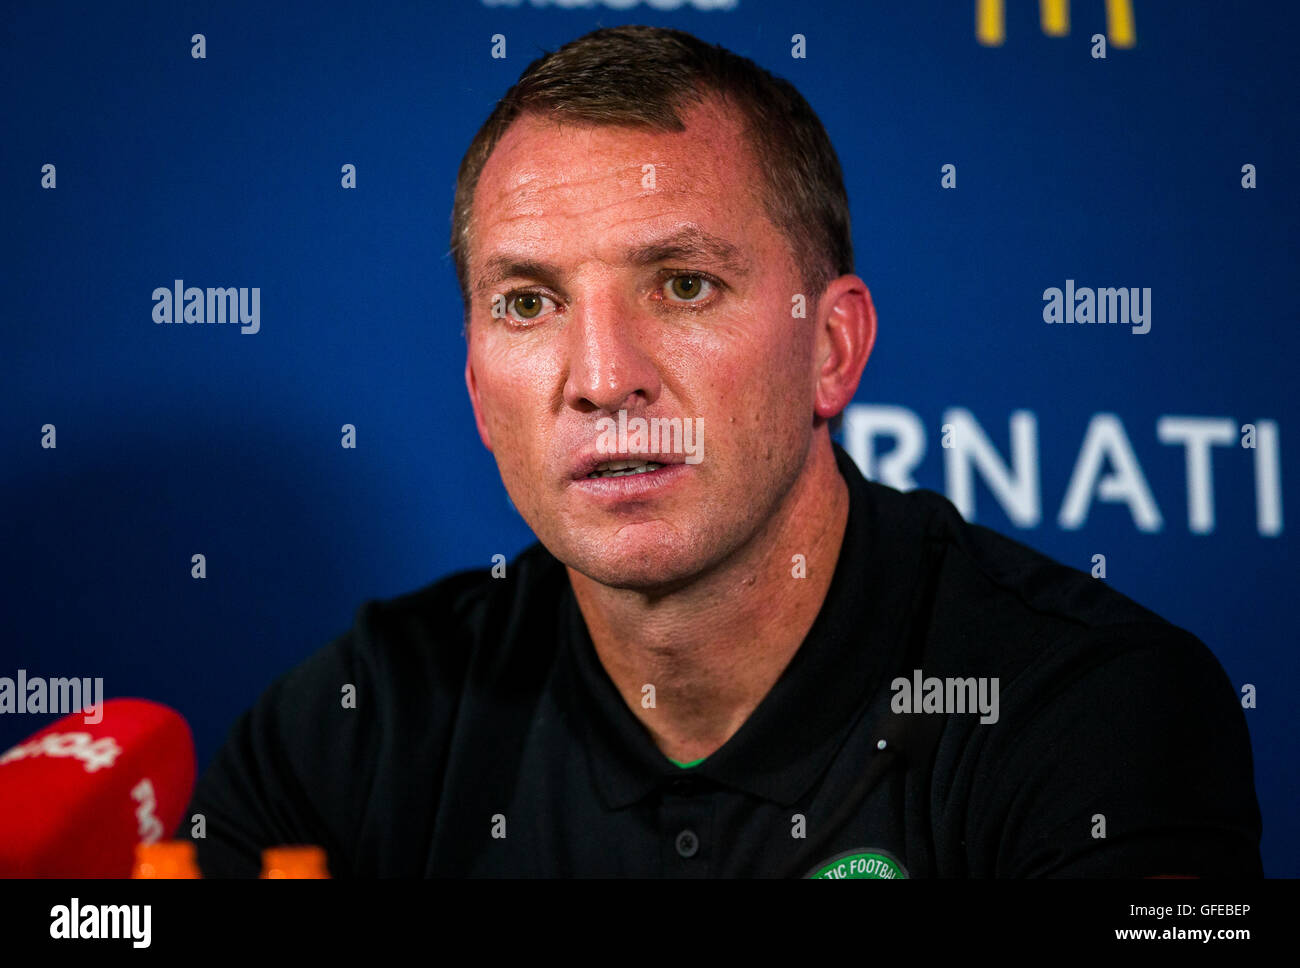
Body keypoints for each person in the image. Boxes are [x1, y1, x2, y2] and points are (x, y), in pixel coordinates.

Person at [185, 25, 1262, 878]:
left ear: (830, 350)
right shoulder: (365, 716)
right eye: (528, 302)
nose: (602, 376)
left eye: (683, 284)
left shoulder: (1088, 708)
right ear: (475, 388)